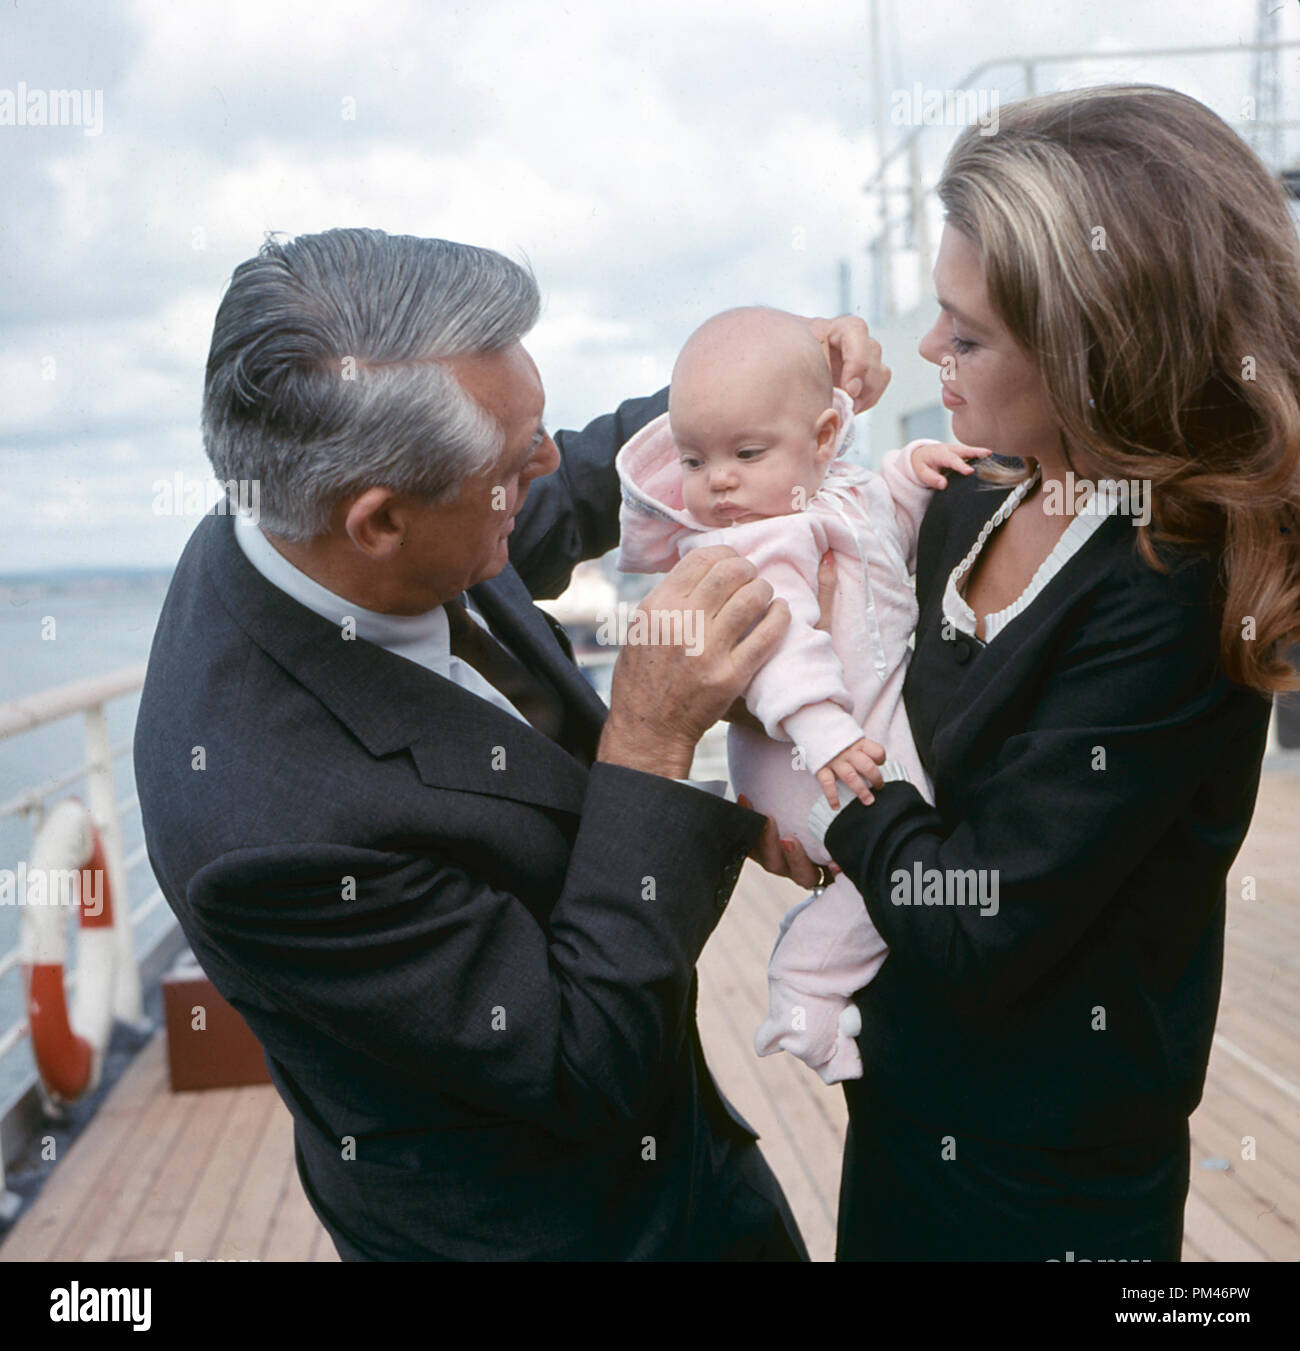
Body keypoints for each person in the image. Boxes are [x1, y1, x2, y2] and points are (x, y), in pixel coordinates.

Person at [133, 227, 886, 1261]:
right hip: (557, 1227)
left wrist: (781, 370)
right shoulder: (268, 838)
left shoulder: (316, 502)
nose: (549, 462)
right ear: (380, 522)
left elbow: (574, 481)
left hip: (691, 1162)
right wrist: (649, 738)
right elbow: (580, 1062)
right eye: (515, 458)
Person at [809, 85, 1300, 1261]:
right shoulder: (967, 493)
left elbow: (977, 918)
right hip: (899, 1114)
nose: (931, 349)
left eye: (967, 333)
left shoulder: (1169, 584)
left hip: (1048, 1183)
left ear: (1097, 350)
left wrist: (832, 795)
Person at [615, 306, 987, 1082]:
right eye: (692, 460)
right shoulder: (751, 540)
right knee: (907, 850)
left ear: (822, 439)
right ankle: (807, 984)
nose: (717, 480)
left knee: (888, 862)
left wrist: (912, 469)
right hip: (813, 759)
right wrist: (825, 734)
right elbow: (780, 644)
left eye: (746, 453)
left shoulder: (829, 494)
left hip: (836, 740)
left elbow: (879, 525)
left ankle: (815, 956)